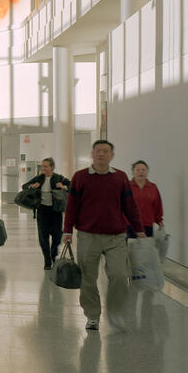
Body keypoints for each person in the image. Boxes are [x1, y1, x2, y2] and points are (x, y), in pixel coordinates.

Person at [63, 140, 145, 331]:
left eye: (106, 151)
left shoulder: (120, 177)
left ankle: (115, 312)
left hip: (116, 237)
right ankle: (92, 316)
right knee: (87, 278)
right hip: (88, 235)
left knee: (119, 275)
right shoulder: (80, 177)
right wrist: (67, 230)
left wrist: (139, 229)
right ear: (92, 154)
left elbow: (130, 206)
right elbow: (72, 206)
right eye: (98, 151)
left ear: (112, 156)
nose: (101, 154)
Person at [22, 158, 70, 269]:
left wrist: (63, 187)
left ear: (52, 167)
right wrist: (32, 186)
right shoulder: (39, 178)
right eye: (42, 166)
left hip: (56, 211)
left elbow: (72, 186)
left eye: (45, 166)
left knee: (57, 236)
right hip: (42, 210)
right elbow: (24, 186)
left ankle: (53, 254)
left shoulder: (59, 178)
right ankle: (47, 261)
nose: (43, 168)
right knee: (43, 237)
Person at [128, 160, 164, 239]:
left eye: (143, 170)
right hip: (129, 225)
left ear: (147, 172)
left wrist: (159, 220)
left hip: (147, 224)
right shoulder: (127, 186)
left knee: (145, 250)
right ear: (133, 172)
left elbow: (157, 205)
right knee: (129, 250)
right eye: (138, 170)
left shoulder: (153, 187)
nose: (141, 172)